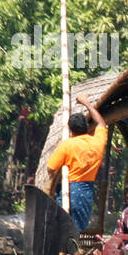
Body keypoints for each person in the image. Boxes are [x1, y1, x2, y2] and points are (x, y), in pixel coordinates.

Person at [46, 94, 107, 231]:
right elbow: (101, 123)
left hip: (71, 190)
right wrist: (87, 104)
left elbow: (50, 168)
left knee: (64, 228)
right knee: (77, 229)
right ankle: (71, 251)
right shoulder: (98, 142)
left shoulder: (67, 145)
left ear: (70, 130)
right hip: (86, 191)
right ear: (86, 126)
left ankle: (65, 251)